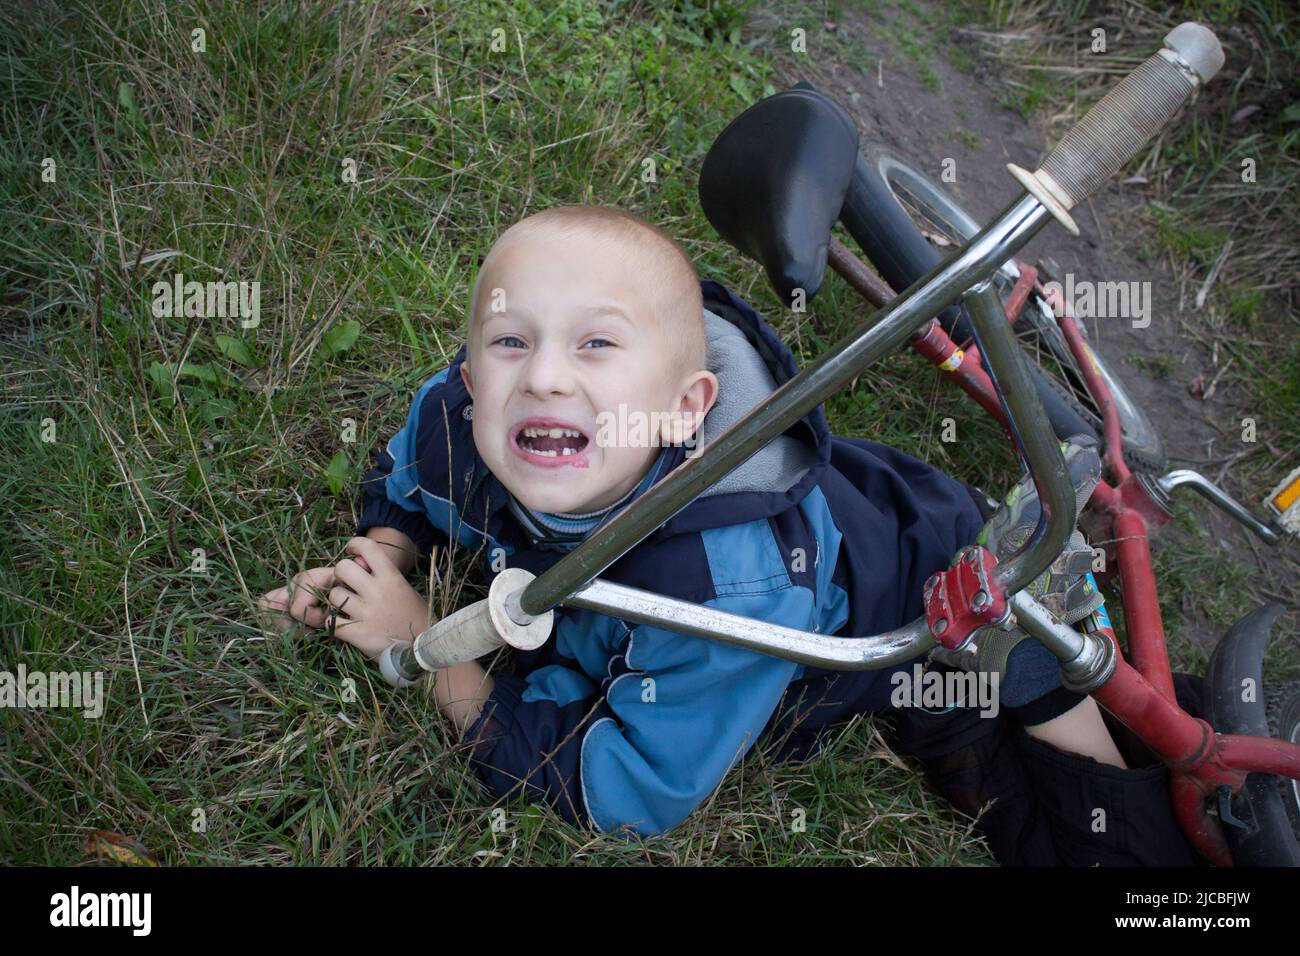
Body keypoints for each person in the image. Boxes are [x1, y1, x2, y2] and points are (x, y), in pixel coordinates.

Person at [258, 204, 1201, 865]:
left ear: (685, 409)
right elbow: (409, 475)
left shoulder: (726, 592)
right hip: (845, 502)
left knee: (1089, 820)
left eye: (596, 344)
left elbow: (624, 793)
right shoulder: (465, 415)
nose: (541, 376)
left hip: (935, 579)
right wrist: (381, 554)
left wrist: (436, 658)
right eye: (509, 341)